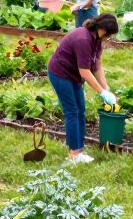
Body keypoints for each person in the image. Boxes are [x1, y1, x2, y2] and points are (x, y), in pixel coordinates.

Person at [46, 14, 119, 163]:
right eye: (110, 35)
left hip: (73, 75)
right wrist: (101, 93)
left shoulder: (97, 39)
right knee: (72, 111)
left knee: (81, 110)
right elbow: (85, 71)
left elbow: (97, 65)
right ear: (103, 30)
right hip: (60, 73)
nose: (110, 38)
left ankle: (78, 151)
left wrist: (106, 88)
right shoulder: (83, 39)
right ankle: (73, 155)